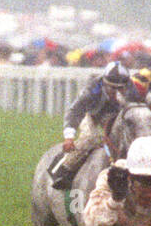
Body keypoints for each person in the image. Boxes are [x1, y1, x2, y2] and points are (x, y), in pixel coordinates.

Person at [50, 61, 135, 189]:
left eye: (120, 89)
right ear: (105, 84)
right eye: (112, 88)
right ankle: (64, 169)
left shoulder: (131, 87)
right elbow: (75, 111)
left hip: (117, 118)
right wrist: (69, 137)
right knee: (92, 138)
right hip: (93, 115)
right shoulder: (92, 89)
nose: (117, 93)